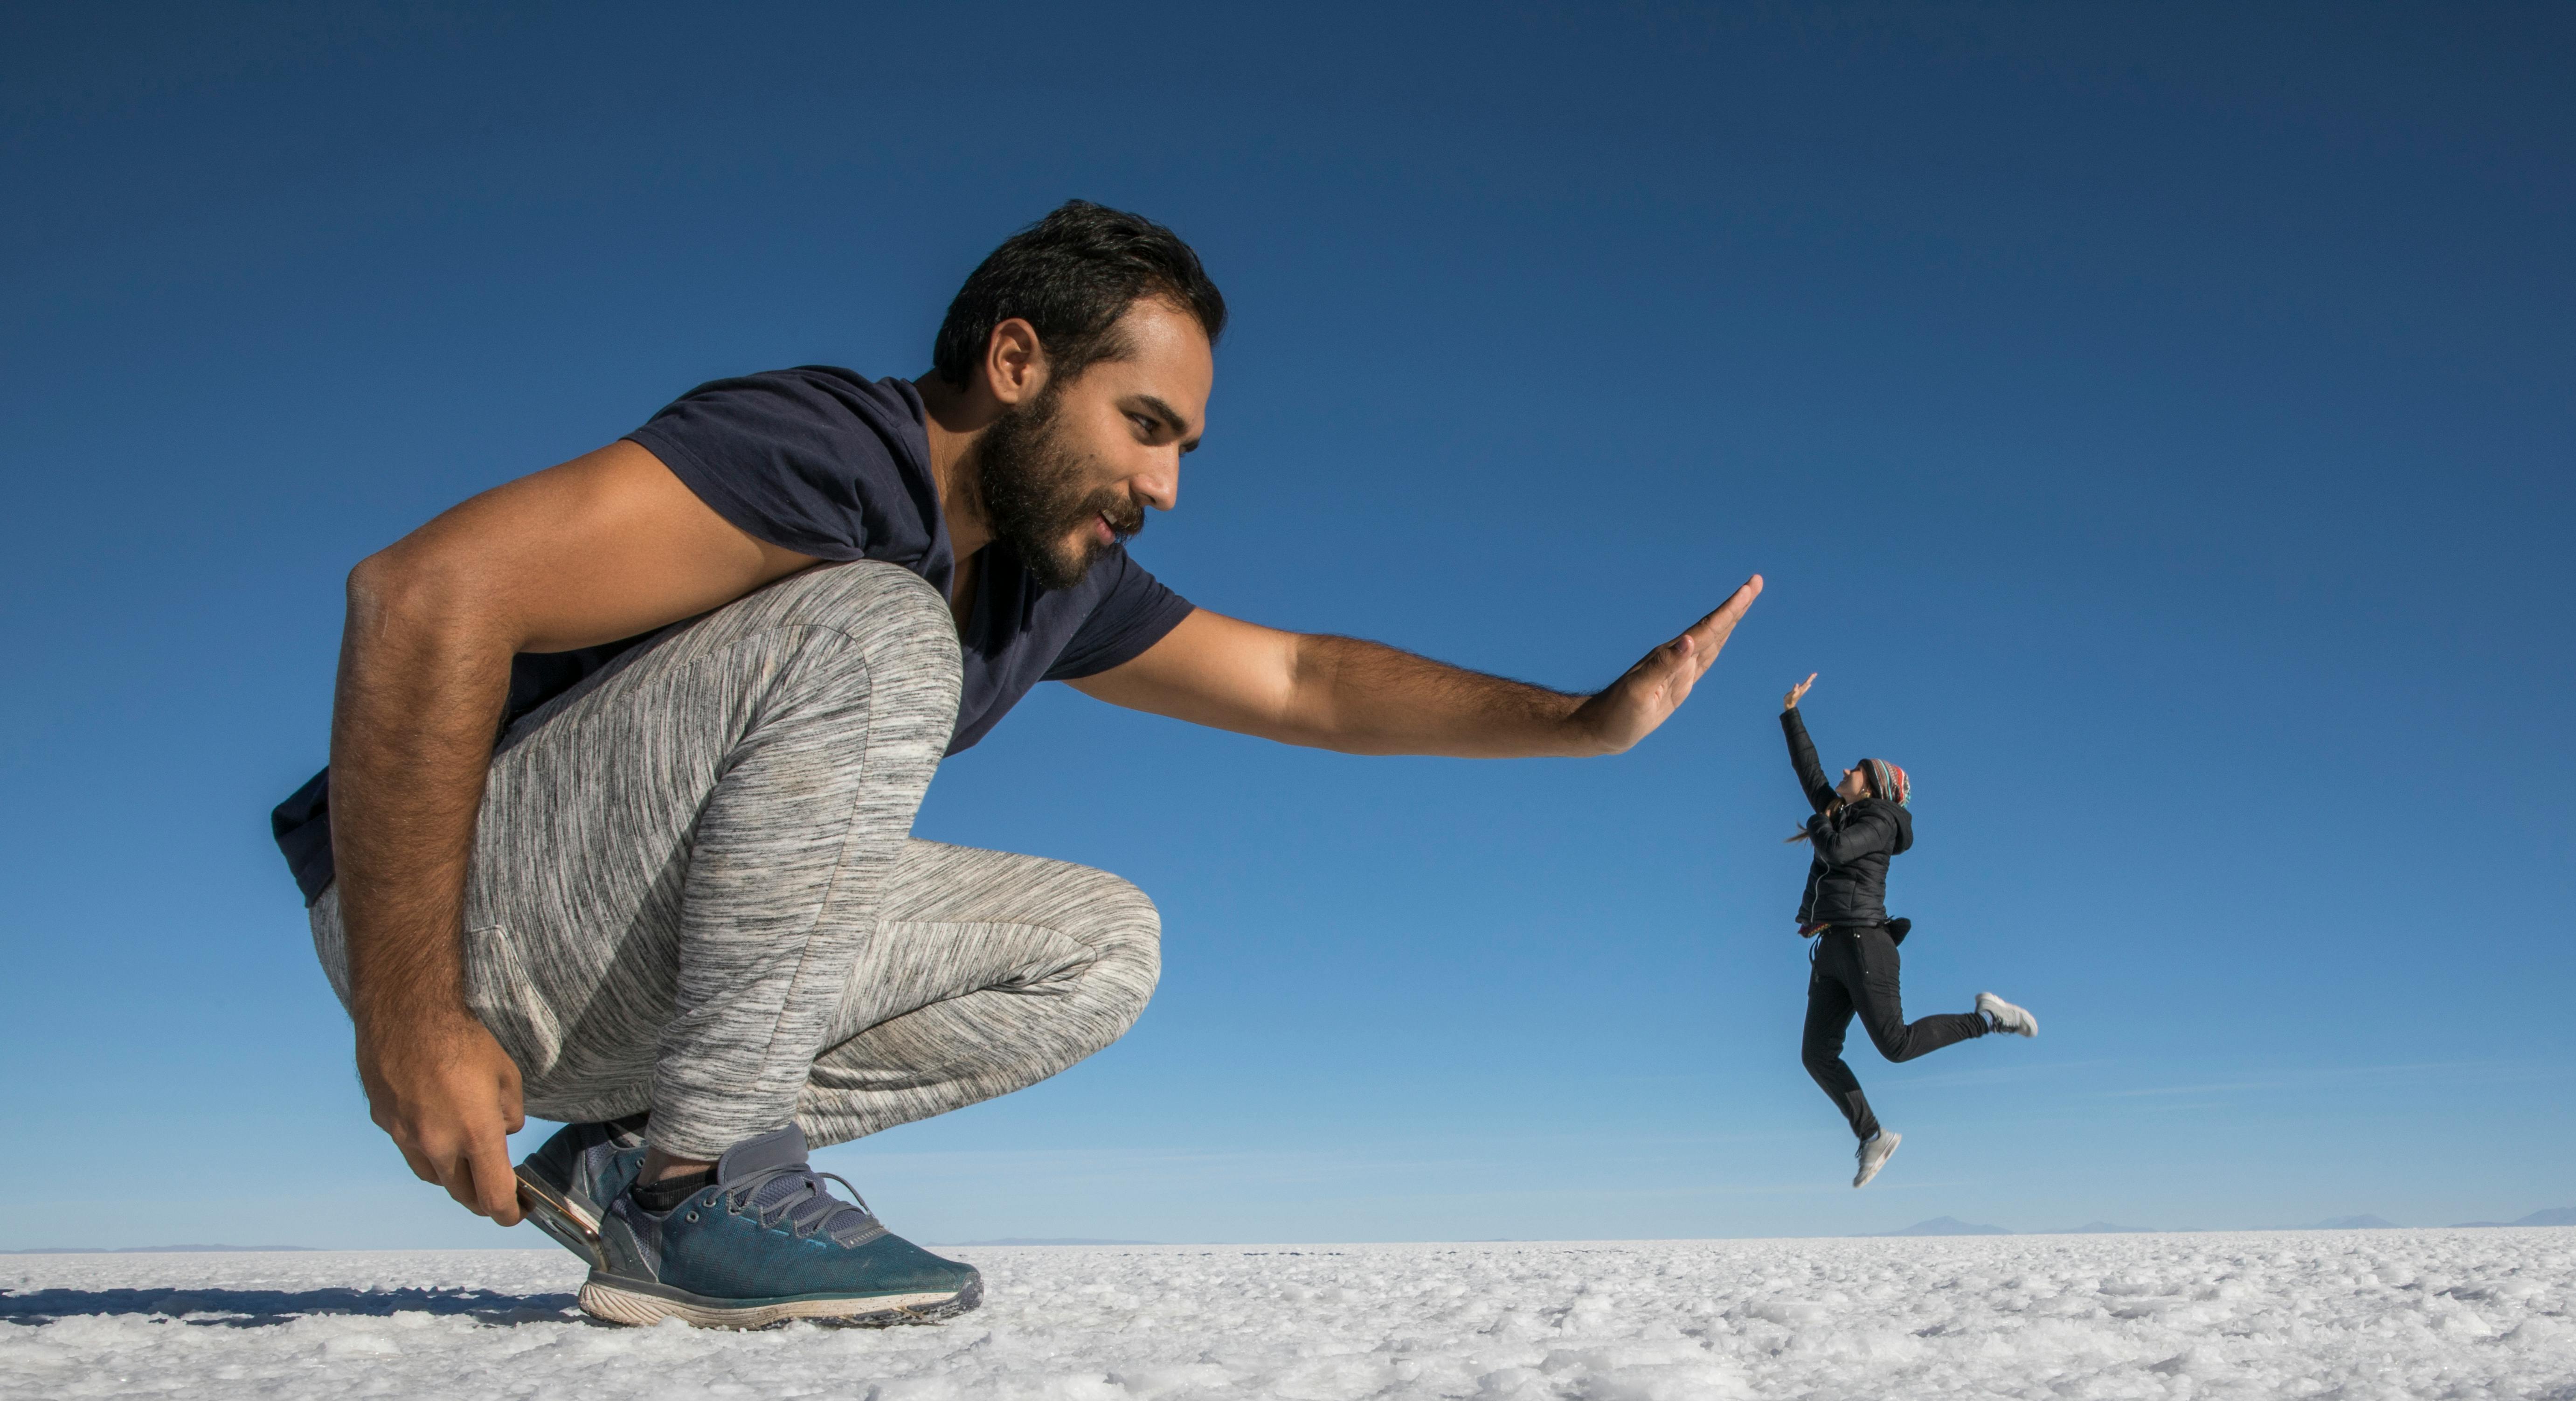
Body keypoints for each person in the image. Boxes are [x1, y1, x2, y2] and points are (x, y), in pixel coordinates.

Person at [273, 201, 1760, 1328]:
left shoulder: (1050, 583)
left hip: (633, 982)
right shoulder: (829, 450)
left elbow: (1301, 680)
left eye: (1184, 449)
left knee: (1103, 945)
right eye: (1144, 426)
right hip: (458, 926)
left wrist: (1581, 720)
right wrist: (410, 1015)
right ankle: (704, 1185)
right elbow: (424, 596)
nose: (1163, 484)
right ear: (1014, 361)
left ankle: (632, 1156)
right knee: (879, 628)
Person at [1779, 673, 2036, 1187]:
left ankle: (1988, 1018)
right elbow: (1810, 775)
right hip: (1831, 947)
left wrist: (1820, 820)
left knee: (1895, 1045)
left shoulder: (1881, 821)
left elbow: (1836, 850)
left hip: (1865, 943)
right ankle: (1872, 1136)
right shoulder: (1845, 813)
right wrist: (1791, 715)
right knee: (1815, 1055)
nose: (1845, 771)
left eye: (1855, 769)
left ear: (1874, 786)